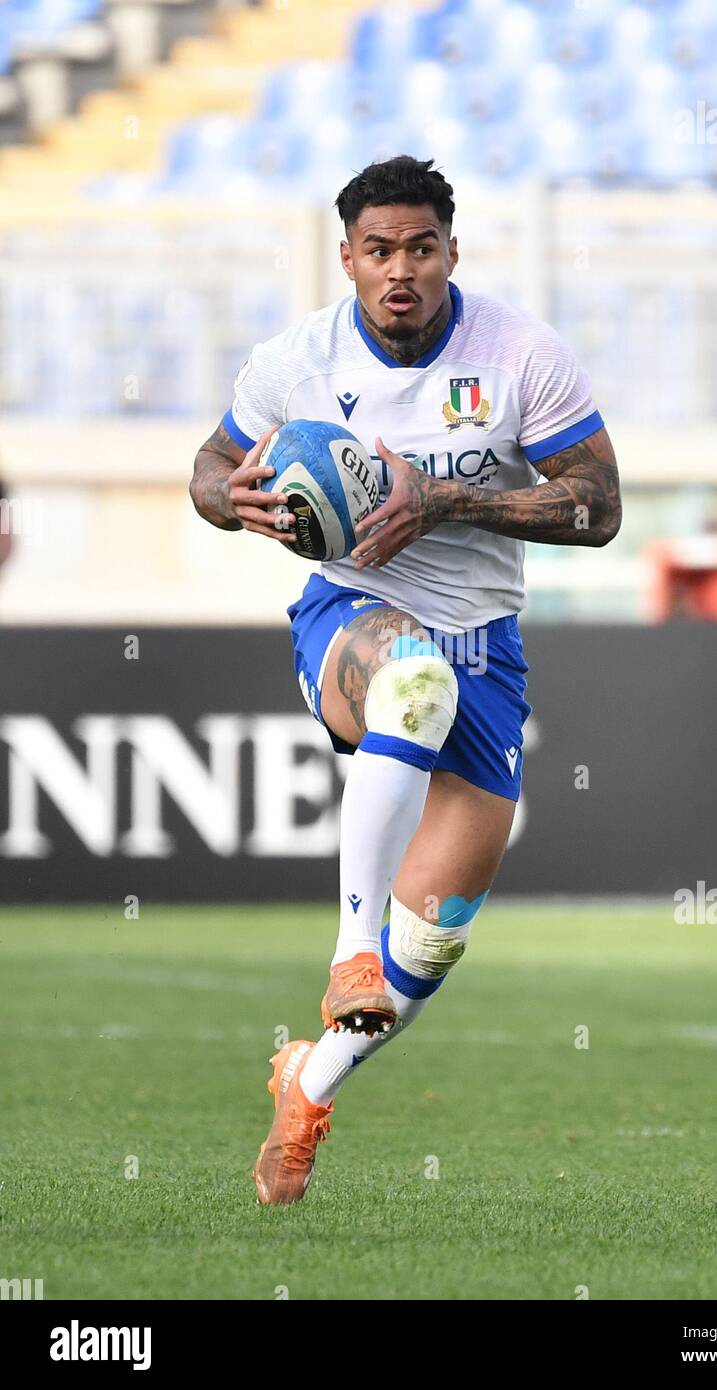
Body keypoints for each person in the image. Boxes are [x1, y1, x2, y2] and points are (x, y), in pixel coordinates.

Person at [189, 155, 622, 1204]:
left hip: (488, 645)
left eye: (419, 248)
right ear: (347, 258)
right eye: (377, 250)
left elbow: (597, 507)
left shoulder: (520, 354)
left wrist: (447, 502)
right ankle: (348, 950)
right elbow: (209, 468)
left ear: (450, 253)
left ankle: (311, 1079)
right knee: (410, 684)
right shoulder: (298, 360)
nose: (400, 271)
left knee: (432, 939)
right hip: (352, 620)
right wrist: (228, 497)